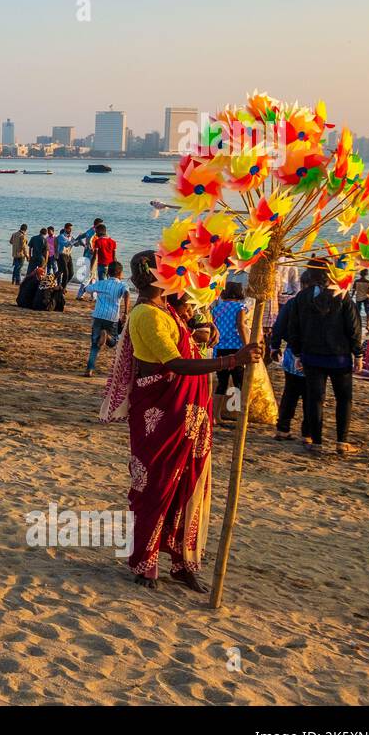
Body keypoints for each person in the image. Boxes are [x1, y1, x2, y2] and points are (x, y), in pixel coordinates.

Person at [120, 250, 260, 590]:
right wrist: (232, 361)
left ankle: (181, 560)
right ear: (158, 276)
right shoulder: (146, 315)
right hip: (162, 413)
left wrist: (201, 329)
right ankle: (144, 562)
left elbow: (186, 333)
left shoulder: (166, 309)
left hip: (189, 414)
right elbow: (175, 364)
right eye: (173, 270)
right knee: (157, 486)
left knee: (187, 484)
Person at [283, 261, 363, 454]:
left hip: (311, 356)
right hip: (339, 357)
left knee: (315, 399)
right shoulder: (343, 296)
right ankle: (342, 442)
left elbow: (294, 327)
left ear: (309, 275)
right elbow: (353, 328)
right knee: (344, 398)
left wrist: (297, 353)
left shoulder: (302, 297)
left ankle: (317, 443)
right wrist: (358, 353)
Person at [267, 296, 309, 442]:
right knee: (311, 395)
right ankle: (308, 434)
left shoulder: (293, 302)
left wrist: (275, 346)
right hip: (315, 355)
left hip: (292, 352)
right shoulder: (325, 301)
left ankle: (283, 429)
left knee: (290, 392)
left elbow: (279, 325)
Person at [210, 283, 252, 424]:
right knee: (238, 382)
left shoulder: (216, 309)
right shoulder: (240, 307)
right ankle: (236, 414)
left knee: (222, 382)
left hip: (220, 348)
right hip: (236, 348)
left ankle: (216, 416)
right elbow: (241, 326)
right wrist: (247, 345)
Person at [83, 261, 129, 376]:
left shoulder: (101, 283)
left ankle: (89, 370)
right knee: (113, 342)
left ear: (108, 273)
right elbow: (127, 294)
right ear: (120, 273)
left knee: (95, 344)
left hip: (98, 315)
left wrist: (91, 279)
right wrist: (125, 312)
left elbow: (87, 289)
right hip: (112, 317)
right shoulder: (122, 285)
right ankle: (107, 336)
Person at [352, 268, 369, 333]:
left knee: (358, 312)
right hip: (366, 298)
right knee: (368, 312)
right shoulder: (368, 282)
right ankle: (368, 326)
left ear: (360, 274)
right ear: (367, 274)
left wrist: (351, 297)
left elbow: (354, 290)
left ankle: (357, 325)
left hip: (358, 298)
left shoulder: (356, 281)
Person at [56, 223, 76, 290]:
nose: (70, 230)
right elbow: (66, 244)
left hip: (68, 256)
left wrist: (80, 240)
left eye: (71, 229)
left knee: (71, 273)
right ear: (65, 229)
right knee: (66, 273)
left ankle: (62, 286)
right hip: (62, 255)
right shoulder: (61, 236)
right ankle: (62, 288)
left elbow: (76, 244)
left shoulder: (71, 237)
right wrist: (73, 241)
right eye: (69, 229)